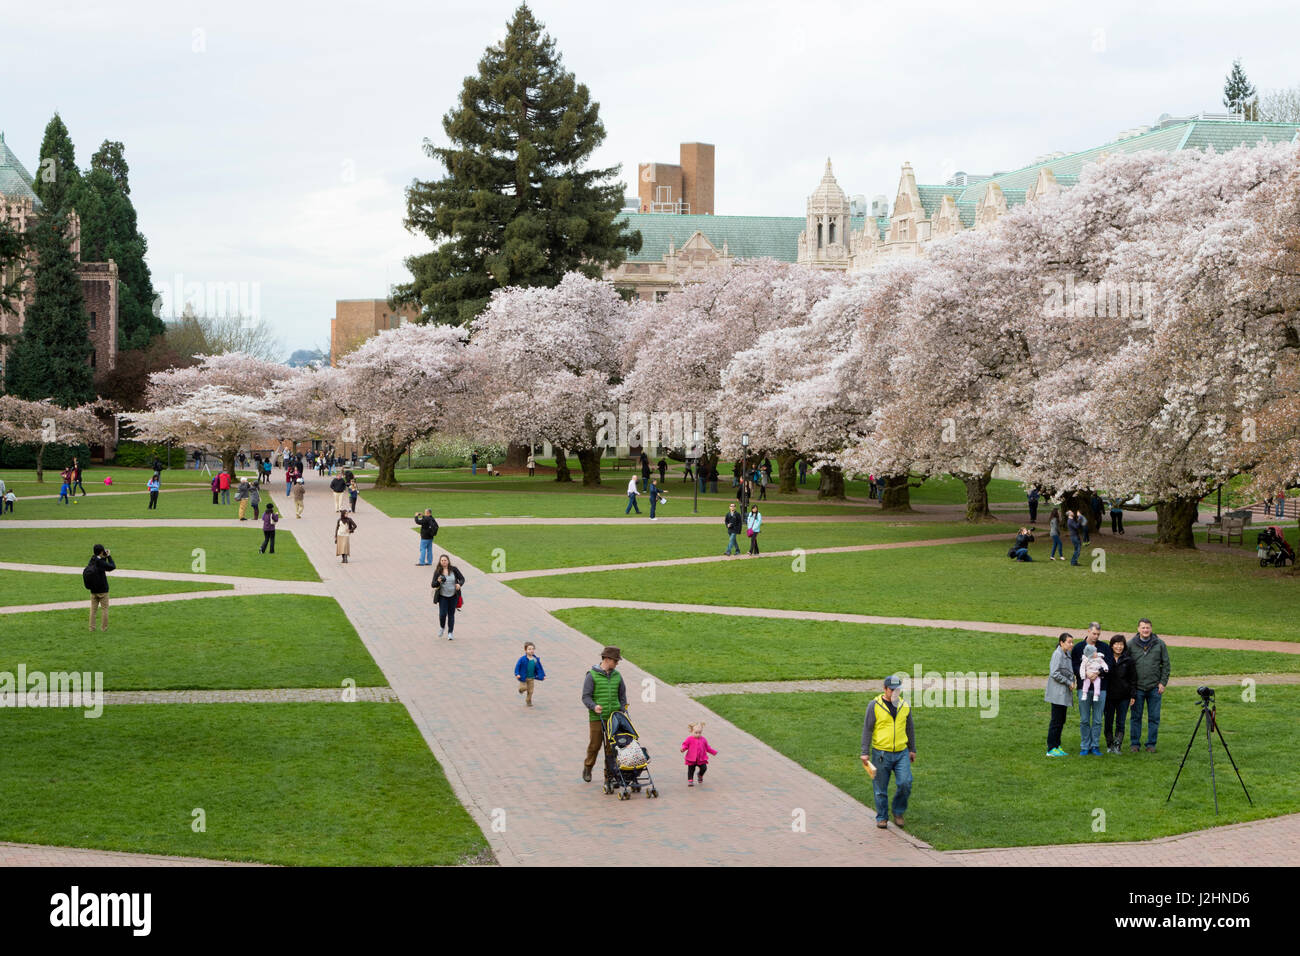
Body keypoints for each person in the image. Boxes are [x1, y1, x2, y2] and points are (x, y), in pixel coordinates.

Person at [860, 675, 916, 829]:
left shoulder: (905, 705)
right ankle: (882, 817)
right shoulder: (874, 705)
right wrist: (865, 751)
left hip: (901, 752)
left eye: (898, 690)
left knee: (905, 783)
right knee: (880, 789)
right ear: (884, 689)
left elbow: (909, 728)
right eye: (892, 690)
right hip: (881, 754)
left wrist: (912, 749)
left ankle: (898, 811)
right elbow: (867, 729)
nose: (895, 693)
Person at [581, 646, 627, 784]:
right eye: (615, 660)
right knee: (595, 745)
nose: (617, 663)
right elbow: (586, 697)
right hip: (597, 717)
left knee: (611, 747)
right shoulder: (592, 675)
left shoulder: (617, 675)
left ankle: (610, 776)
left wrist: (622, 710)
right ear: (607, 659)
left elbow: (622, 696)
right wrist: (594, 706)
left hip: (614, 718)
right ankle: (588, 767)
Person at [1071, 623, 1115, 756]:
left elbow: (1109, 664)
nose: (1096, 636)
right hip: (1083, 688)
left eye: (1098, 634)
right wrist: (1085, 673)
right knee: (1084, 719)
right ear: (1088, 631)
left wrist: (1098, 673)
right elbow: (1074, 665)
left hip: (1100, 688)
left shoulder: (1104, 647)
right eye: (1094, 633)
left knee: (1097, 719)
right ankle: (1085, 745)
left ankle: (1094, 745)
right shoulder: (1079, 647)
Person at [1129, 618, 1170, 753]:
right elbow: (1126, 665)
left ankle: (1151, 744)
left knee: (1154, 717)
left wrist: (1163, 683)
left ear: (1151, 629)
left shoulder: (1159, 644)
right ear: (1138, 629)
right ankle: (1135, 744)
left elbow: (1166, 664)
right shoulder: (1131, 644)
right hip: (1138, 688)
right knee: (1136, 717)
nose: (1145, 630)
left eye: (1147, 628)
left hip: (1154, 688)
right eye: (1143, 627)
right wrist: (1130, 687)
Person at [1044, 633, 1076, 757]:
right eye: (1069, 642)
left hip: (1063, 693)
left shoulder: (1067, 654)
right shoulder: (1057, 654)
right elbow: (1054, 673)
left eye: (1072, 642)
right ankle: (1051, 748)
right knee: (1056, 721)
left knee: (1061, 720)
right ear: (1061, 643)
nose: (1071, 644)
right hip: (1057, 694)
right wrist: (1069, 682)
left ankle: (1057, 745)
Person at [1104, 635, 1136, 754]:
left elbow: (1133, 679)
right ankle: (1109, 744)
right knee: (1108, 721)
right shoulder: (1106, 659)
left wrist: (1133, 695)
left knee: (1121, 722)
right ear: (1112, 645)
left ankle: (1118, 745)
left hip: (1124, 696)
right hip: (1108, 696)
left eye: (1121, 644)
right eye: (1116, 644)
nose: (1119, 647)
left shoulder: (1129, 660)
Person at [84, 544, 115, 633]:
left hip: (93, 590)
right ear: (101, 552)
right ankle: (104, 628)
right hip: (103, 590)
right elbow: (112, 566)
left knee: (93, 611)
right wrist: (109, 556)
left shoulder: (92, 560)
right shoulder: (100, 562)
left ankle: (91, 628)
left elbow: (101, 565)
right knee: (104, 609)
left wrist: (103, 557)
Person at [432, 554, 464, 640]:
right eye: (442, 560)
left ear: (448, 561)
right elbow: (433, 584)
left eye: (445, 560)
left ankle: (450, 633)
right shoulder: (438, 571)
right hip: (443, 596)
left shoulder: (454, 569)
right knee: (442, 614)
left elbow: (462, 579)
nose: (443, 562)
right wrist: (438, 581)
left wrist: (459, 584)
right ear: (440, 562)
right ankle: (442, 627)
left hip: (453, 596)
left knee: (451, 615)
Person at [681, 720, 717, 787]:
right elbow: (685, 745)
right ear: (691, 731)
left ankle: (700, 775)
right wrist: (683, 749)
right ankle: (690, 780)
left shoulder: (703, 739)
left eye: (700, 733)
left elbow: (707, 747)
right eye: (696, 732)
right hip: (691, 758)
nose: (698, 734)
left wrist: (713, 752)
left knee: (704, 768)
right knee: (691, 770)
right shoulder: (689, 739)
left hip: (701, 758)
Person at [514, 641, 545, 706]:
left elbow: (540, 668)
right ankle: (521, 690)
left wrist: (542, 675)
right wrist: (517, 674)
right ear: (525, 650)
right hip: (523, 678)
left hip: (531, 678)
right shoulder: (522, 659)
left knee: (531, 691)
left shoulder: (535, 659)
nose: (531, 650)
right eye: (529, 649)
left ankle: (528, 701)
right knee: (524, 688)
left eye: (533, 649)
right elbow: (517, 667)